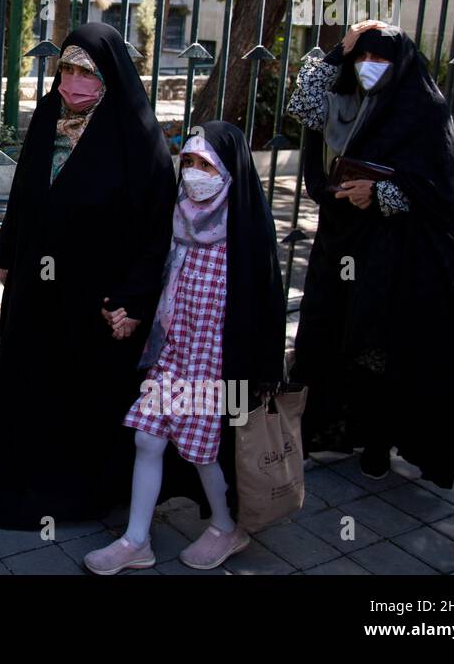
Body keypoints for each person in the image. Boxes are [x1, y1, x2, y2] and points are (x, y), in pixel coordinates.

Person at [0, 21, 182, 543]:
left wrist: (133, 300)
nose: (71, 82)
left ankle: (73, 497)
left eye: (85, 72)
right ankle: (6, 489)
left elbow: (156, 232)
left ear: (109, 77)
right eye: (65, 69)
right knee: (21, 382)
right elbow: (23, 191)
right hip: (36, 287)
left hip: (97, 299)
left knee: (79, 395)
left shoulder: (138, 136)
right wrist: (5, 254)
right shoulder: (49, 114)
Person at [285, 20, 454, 486]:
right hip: (338, 240)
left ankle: (377, 446)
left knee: (376, 345)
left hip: (392, 250)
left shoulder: (424, 110)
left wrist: (382, 193)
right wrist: (341, 49)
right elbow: (301, 105)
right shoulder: (344, 101)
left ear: (400, 65)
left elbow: (442, 189)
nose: (369, 67)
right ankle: (330, 433)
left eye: (380, 59)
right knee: (325, 334)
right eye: (364, 59)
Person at [83, 122, 287, 573]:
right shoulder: (177, 214)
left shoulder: (245, 227)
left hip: (217, 359)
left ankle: (225, 526)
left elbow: (265, 303)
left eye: (206, 164)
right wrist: (130, 308)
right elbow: (154, 272)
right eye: (188, 162)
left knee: (202, 450)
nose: (194, 173)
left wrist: (259, 370)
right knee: (147, 436)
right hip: (175, 349)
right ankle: (136, 540)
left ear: (228, 169)